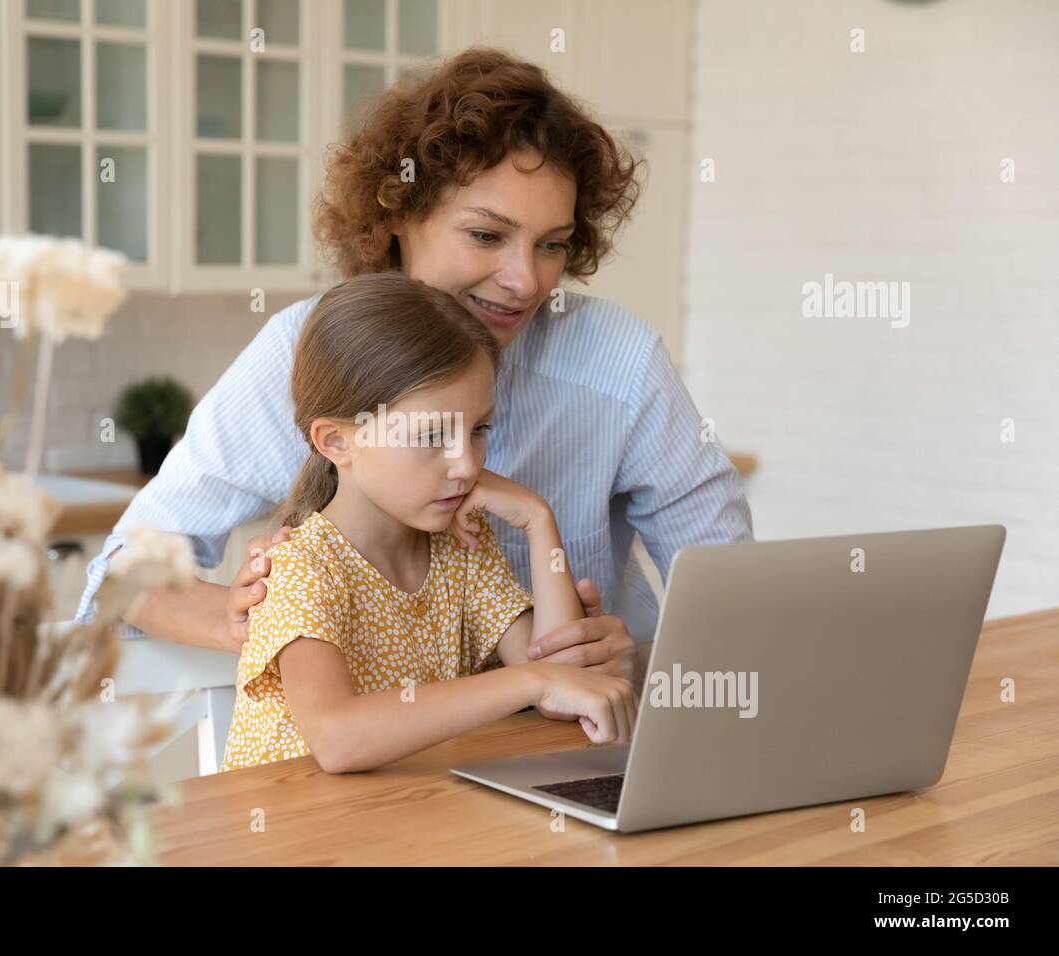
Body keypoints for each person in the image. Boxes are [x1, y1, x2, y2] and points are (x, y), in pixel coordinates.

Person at [76, 47, 754, 694]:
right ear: (397, 212)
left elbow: (735, 597)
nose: (524, 281)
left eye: (551, 245)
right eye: (486, 236)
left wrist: (632, 656)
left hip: (569, 755)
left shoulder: (620, 362)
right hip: (379, 780)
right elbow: (121, 574)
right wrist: (243, 616)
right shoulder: (307, 348)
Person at [221, 272, 635, 771]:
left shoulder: (462, 546)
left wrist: (537, 518)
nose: (465, 464)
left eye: (479, 429)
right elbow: (336, 739)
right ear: (335, 442)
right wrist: (531, 681)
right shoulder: (299, 568)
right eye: (432, 435)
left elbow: (561, 687)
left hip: (408, 822)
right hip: (301, 838)